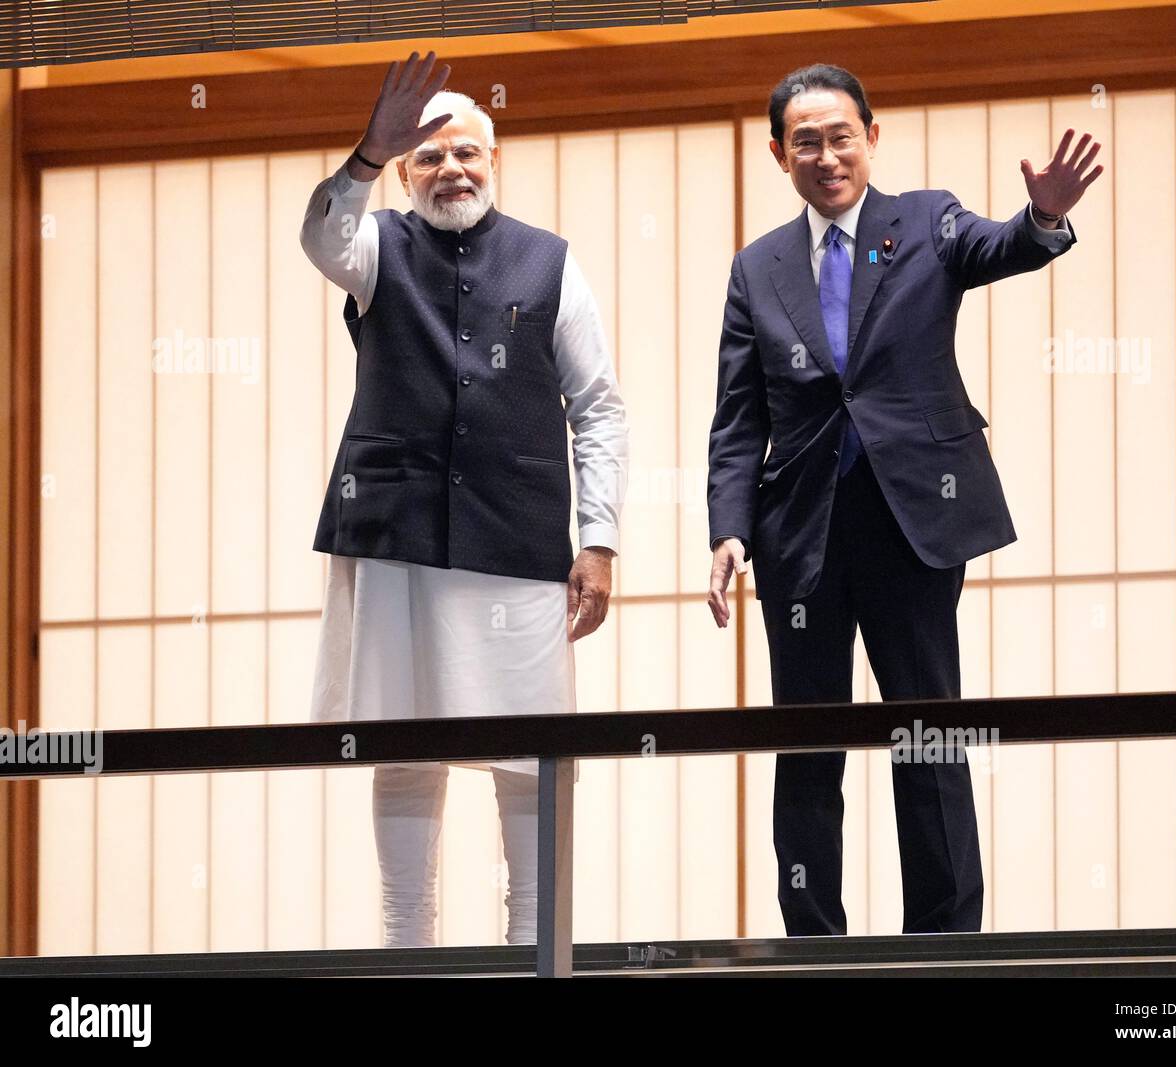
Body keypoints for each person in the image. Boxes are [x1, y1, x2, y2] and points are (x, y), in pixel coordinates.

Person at [706, 63, 1099, 936]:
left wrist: (1044, 217)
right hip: (799, 532)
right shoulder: (757, 267)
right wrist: (729, 531)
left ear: (871, 138)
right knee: (807, 744)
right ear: (779, 153)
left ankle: (948, 939)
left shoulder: (925, 220)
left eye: (841, 134)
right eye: (804, 140)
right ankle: (813, 939)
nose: (826, 153)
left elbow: (998, 246)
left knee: (928, 735)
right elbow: (739, 418)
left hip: (915, 519)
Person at [300, 52, 628, 947]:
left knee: (530, 759)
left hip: (519, 542)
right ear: (405, 174)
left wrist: (597, 539)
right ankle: (407, 950)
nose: (451, 169)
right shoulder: (377, 247)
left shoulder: (550, 262)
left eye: (467, 154)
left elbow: (598, 404)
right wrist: (364, 157)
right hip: (397, 533)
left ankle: (536, 951)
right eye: (429, 158)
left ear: (495, 162)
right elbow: (322, 238)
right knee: (405, 751)